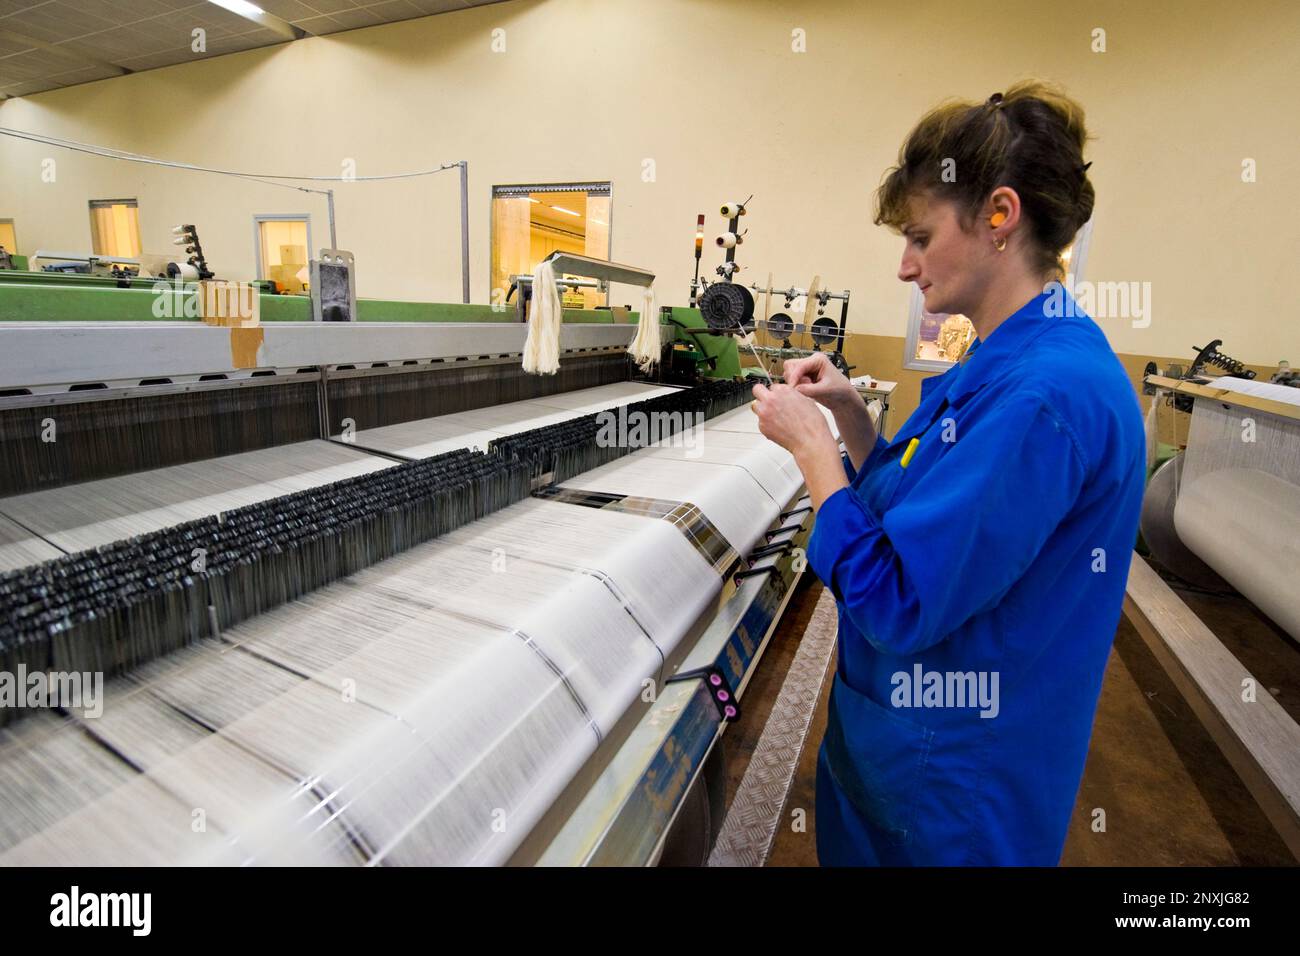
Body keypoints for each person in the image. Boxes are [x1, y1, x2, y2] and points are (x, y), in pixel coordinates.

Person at [750, 81, 1146, 865]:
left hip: (952, 791)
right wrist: (854, 424)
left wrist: (815, 459)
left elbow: (900, 600)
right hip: (913, 751)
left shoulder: (1042, 394)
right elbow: (927, 512)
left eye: (921, 238)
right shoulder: (1008, 358)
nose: (905, 267)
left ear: (999, 216)